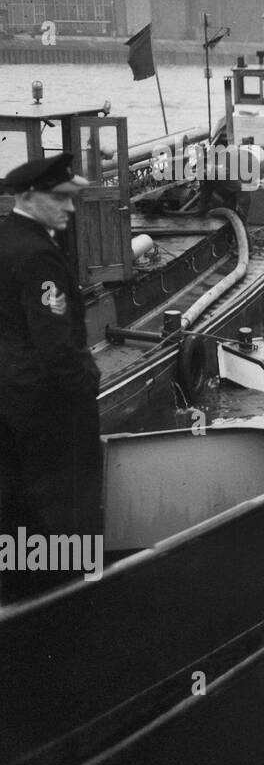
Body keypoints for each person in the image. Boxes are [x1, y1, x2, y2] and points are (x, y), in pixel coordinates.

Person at [0, 153, 103, 602]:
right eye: (60, 198)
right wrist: (87, 382)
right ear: (27, 196)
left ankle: (19, 590)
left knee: (14, 501)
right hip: (47, 406)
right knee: (63, 503)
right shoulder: (39, 257)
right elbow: (56, 347)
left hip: (9, 398)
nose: (71, 209)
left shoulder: (6, 239)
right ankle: (66, 598)